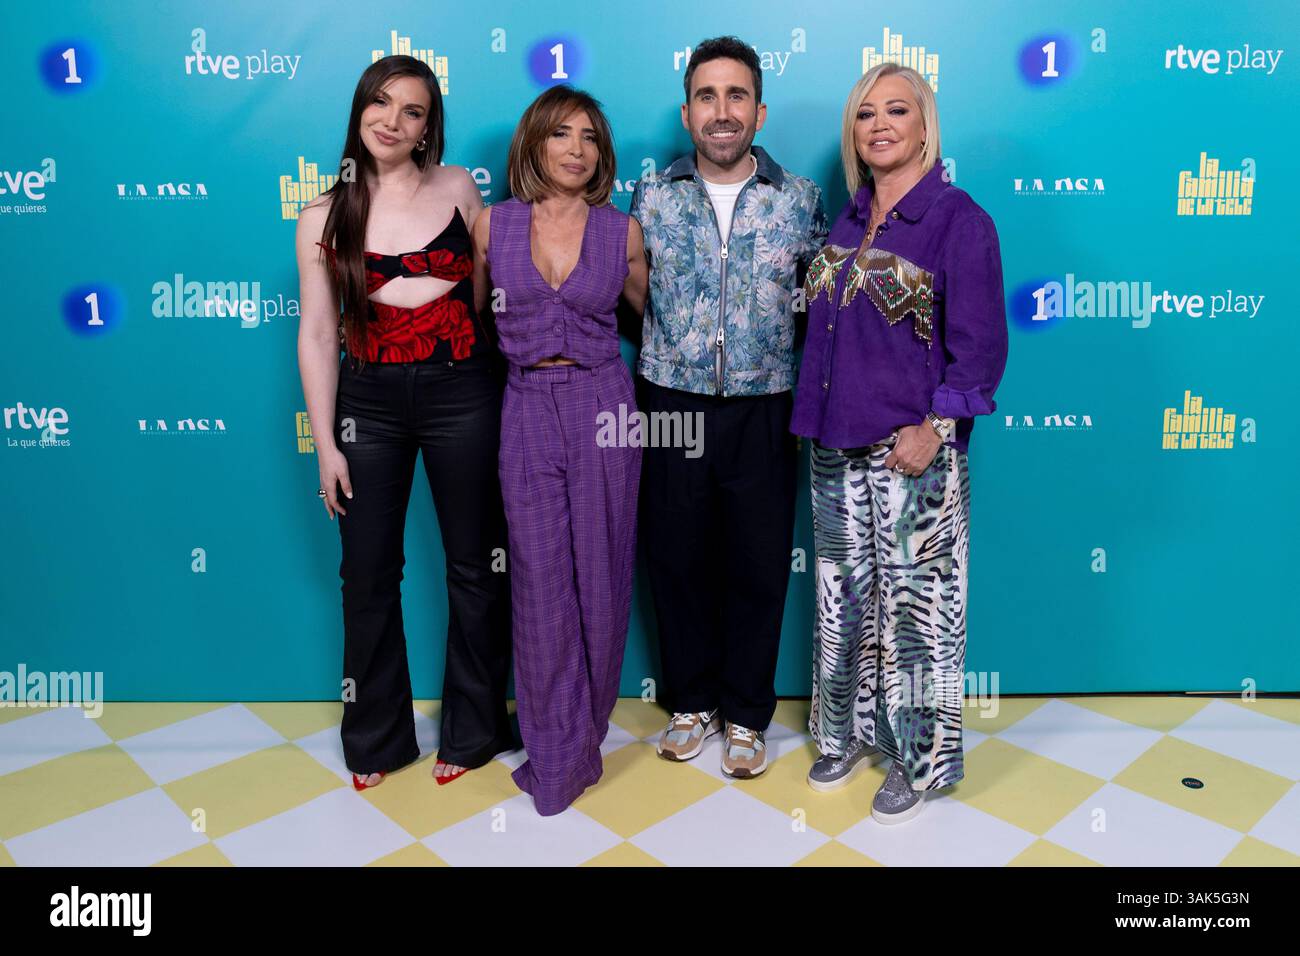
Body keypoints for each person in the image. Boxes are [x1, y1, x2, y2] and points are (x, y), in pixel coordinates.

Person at [791, 63, 1008, 824]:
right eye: (865, 114)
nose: (879, 124)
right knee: (840, 600)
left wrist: (937, 428)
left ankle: (922, 761)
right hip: (832, 448)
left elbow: (979, 347)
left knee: (920, 612)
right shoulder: (847, 221)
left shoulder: (959, 219)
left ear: (924, 125)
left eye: (897, 111)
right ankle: (844, 733)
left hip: (912, 450)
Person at [295, 55, 513, 792]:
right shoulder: (322, 214)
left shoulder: (458, 187)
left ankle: (474, 730)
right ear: (359, 112)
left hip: (464, 391)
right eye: (381, 105)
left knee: (476, 567)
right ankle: (377, 738)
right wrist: (326, 445)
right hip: (369, 406)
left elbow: (487, 293)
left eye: (412, 112)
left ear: (428, 128)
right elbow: (319, 334)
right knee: (367, 574)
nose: (393, 121)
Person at [630, 36, 827, 779]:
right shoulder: (652, 195)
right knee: (677, 558)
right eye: (707, 96)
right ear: (687, 113)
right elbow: (630, 289)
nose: (722, 111)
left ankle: (746, 714)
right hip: (670, 402)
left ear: (759, 110)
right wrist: (676, 343)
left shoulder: (799, 198)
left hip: (765, 407)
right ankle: (692, 701)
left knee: (756, 562)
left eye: (736, 95)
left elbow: (816, 305)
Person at [470, 86, 648, 815]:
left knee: (601, 579)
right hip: (524, 407)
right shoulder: (492, 225)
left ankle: (585, 737)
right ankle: (553, 751)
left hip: (605, 405)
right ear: (534, 144)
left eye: (590, 138)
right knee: (539, 583)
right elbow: (475, 317)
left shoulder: (623, 233)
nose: (576, 149)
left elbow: (656, 323)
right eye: (560, 134)